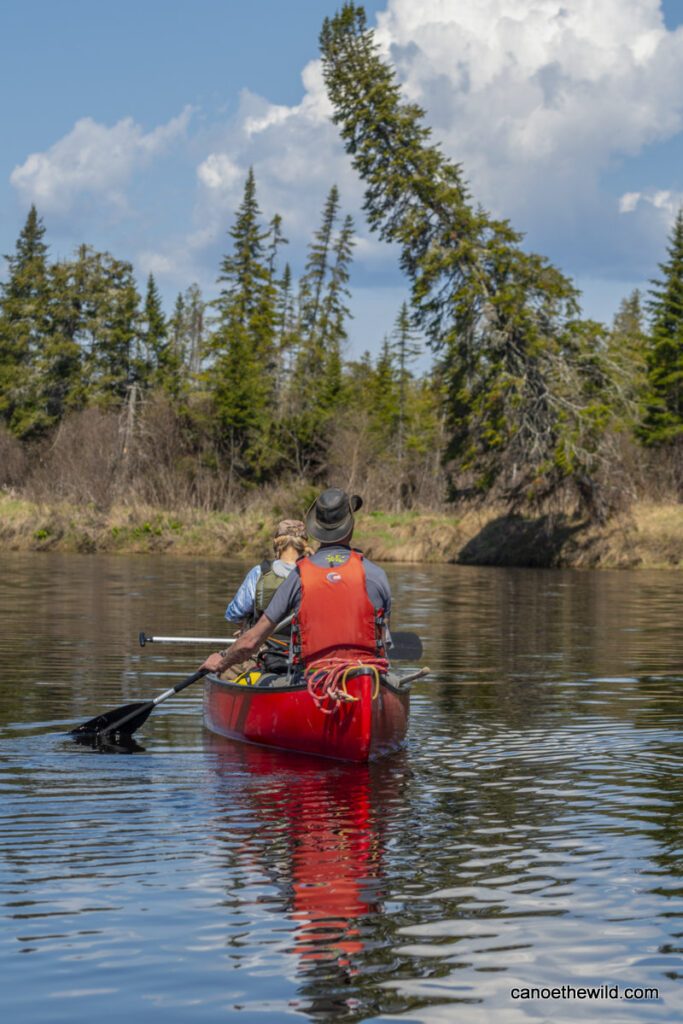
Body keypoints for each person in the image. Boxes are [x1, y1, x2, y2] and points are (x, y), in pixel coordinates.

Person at [200, 489, 391, 680]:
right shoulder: (376, 575)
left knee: (235, 677)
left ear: (316, 529)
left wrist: (221, 661)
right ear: (350, 527)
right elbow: (382, 641)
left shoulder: (300, 575)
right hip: (366, 677)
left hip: (313, 680)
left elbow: (251, 641)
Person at [219, 519, 309, 680]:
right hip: (304, 653)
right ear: (305, 545)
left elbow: (234, 614)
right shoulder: (316, 574)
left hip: (262, 651)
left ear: (276, 543)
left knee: (222, 668)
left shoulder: (260, 572)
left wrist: (250, 629)